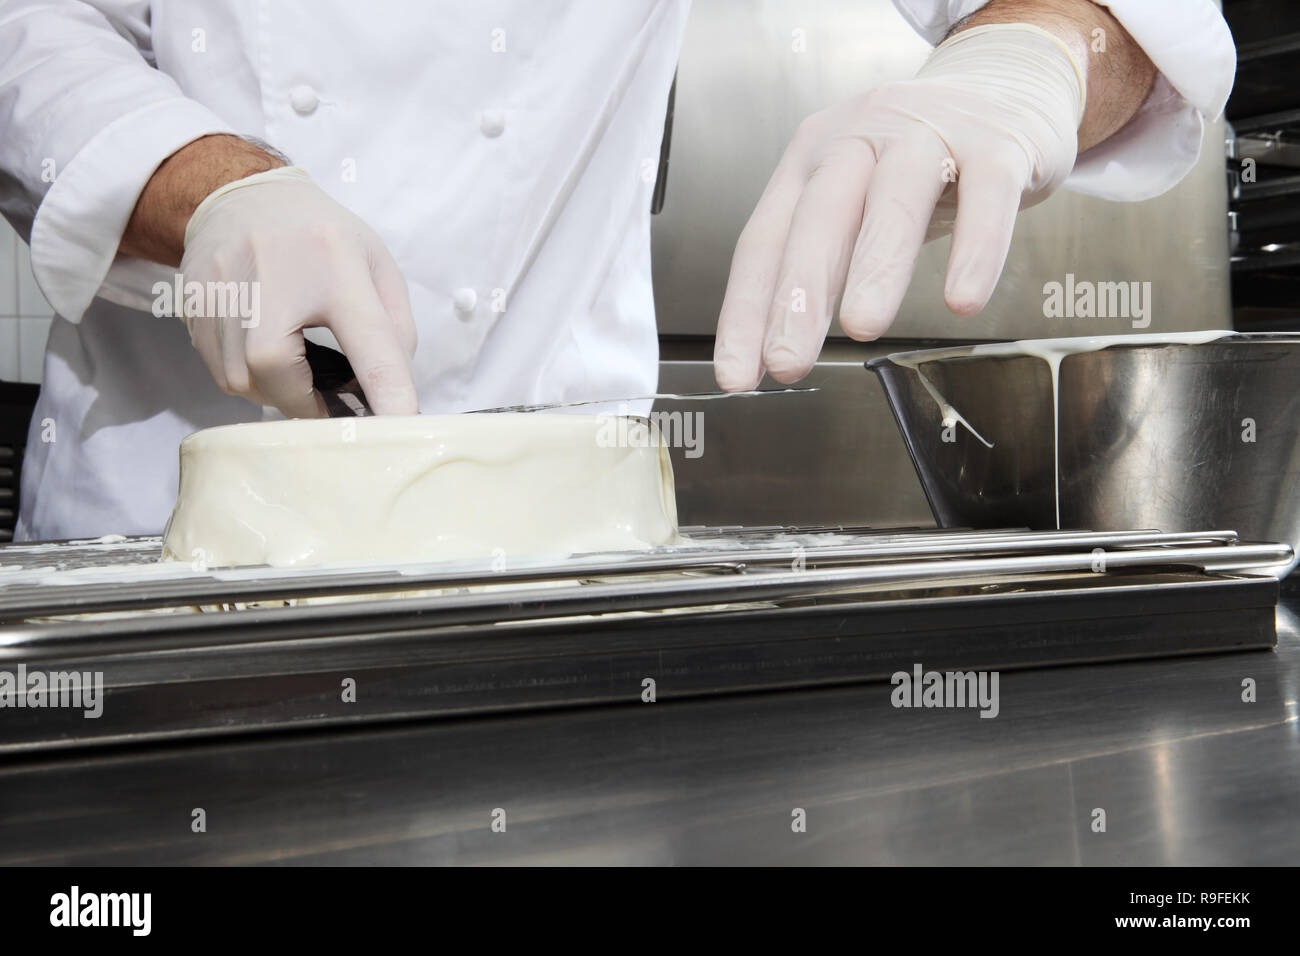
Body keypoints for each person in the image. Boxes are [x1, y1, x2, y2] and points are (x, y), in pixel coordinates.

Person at [0, 0, 1234, 540]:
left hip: (566, 551)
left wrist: (1025, 63)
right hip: (169, 535)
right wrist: (210, 183)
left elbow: (1129, 14)